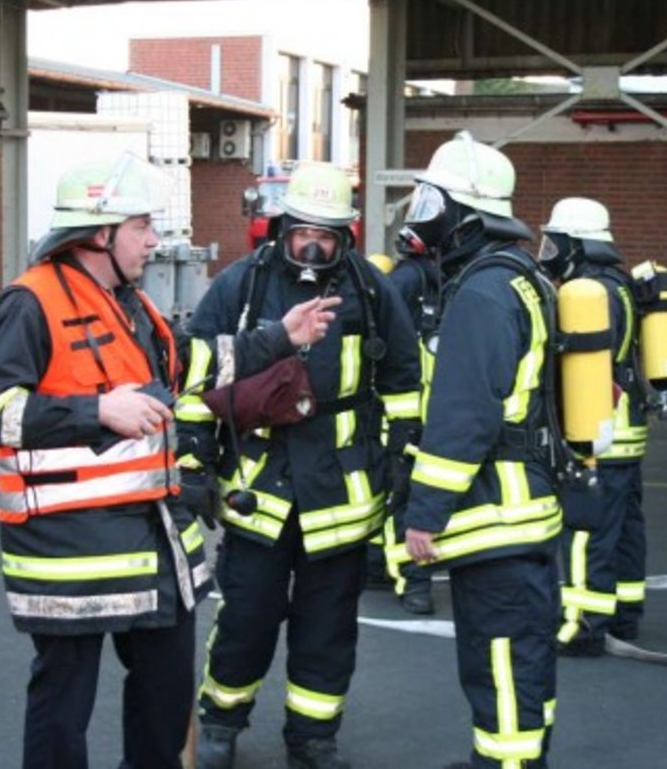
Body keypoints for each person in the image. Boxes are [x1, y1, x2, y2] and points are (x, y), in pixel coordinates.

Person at [0, 152, 340, 769]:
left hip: (153, 541)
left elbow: (187, 368)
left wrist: (281, 337)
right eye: (142, 226)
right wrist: (96, 412)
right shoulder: (28, 304)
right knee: (62, 709)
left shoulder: (128, 305)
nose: (154, 240)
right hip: (70, 554)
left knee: (165, 701)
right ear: (99, 233)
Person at [184, 161, 421, 769]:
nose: (312, 245)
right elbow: (194, 376)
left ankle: (313, 738)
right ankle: (220, 723)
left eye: (327, 234)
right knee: (246, 620)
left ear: (347, 236)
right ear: (283, 227)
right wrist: (193, 461)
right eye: (302, 232)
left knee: (328, 630)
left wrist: (402, 458)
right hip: (259, 489)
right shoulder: (241, 287)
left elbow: (403, 381)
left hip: (341, 497)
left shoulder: (371, 292)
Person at [395, 132, 561, 769]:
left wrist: (425, 512)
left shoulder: (482, 295)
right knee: (524, 660)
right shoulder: (519, 280)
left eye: (431, 203)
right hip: (525, 513)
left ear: (461, 215)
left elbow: (465, 416)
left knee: (498, 662)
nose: (423, 217)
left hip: (496, 519)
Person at [536, 197, 653, 654]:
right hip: (626, 430)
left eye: (556, 242)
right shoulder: (618, 285)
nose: (550, 251)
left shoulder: (589, 293)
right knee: (625, 529)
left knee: (586, 532)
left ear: (576, 244)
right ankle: (625, 615)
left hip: (597, 430)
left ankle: (584, 627)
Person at [376, 223, 446, 614]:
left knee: (403, 491)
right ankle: (411, 578)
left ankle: (394, 569)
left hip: (418, 407)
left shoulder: (426, 280)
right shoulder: (412, 282)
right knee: (407, 492)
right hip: (417, 407)